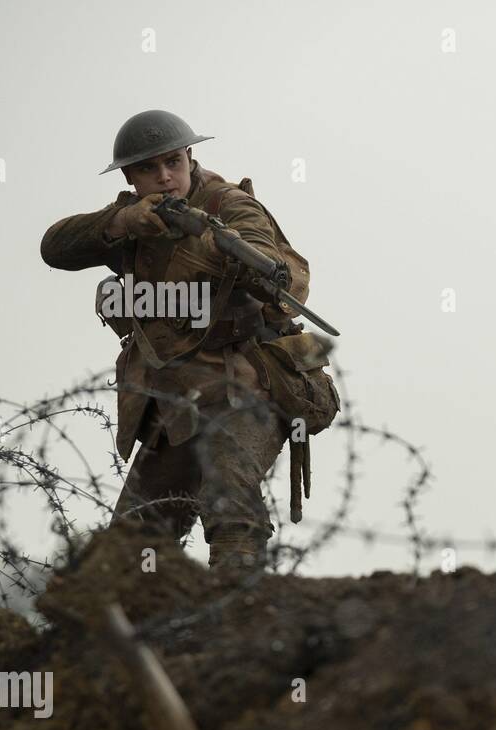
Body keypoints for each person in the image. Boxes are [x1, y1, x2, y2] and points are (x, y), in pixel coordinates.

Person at [41, 109, 311, 568]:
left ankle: (239, 607)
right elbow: (55, 247)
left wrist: (209, 246)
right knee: (136, 538)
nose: (165, 178)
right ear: (131, 176)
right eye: (148, 168)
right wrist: (122, 224)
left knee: (228, 494)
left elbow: (274, 273)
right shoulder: (136, 217)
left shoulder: (230, 205)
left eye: (173, 163)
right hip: (178, 400)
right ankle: (149, 630)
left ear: (190, 157)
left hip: (248, 384)